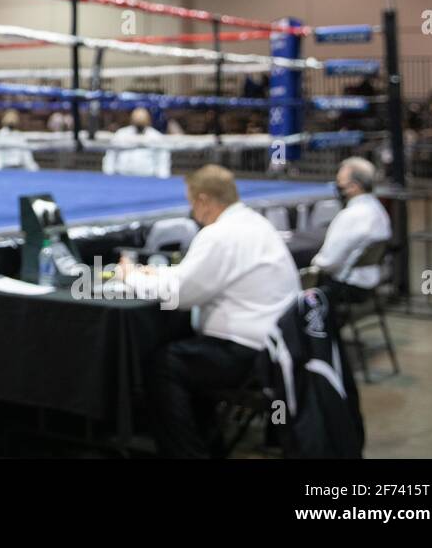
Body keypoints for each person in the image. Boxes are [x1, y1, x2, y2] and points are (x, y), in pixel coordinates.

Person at [118, 165, 300, 457]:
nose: (192, 211)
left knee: (162, 365)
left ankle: (187, 453)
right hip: (275, 345)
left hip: (247, 352)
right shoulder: (255, 223)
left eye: (191, 202)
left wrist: (131, 277)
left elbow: (179, 294)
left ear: (203, 200)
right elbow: (197, 278)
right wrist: (158, 275)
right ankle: (207, 441)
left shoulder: (219, 235)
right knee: (184, 357)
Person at [311, 157, 390, 297]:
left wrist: (314, 263)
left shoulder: (350, 216)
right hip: (371, 281)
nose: (337, 186)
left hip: (348, 285)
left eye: (340, 182)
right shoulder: (379, 209)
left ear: (354, 187)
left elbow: (328, 262)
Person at [102, 107, 171, 178]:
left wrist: (162, 180)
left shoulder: (156, 136)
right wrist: (108, 177)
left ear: (148, 121)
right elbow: (110, 157)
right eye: (137, 121)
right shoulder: (121, 134)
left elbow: (163, 161)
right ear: (131, 120)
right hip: (122, 177)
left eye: (142, 121)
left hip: (148, 178)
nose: (139, 124)